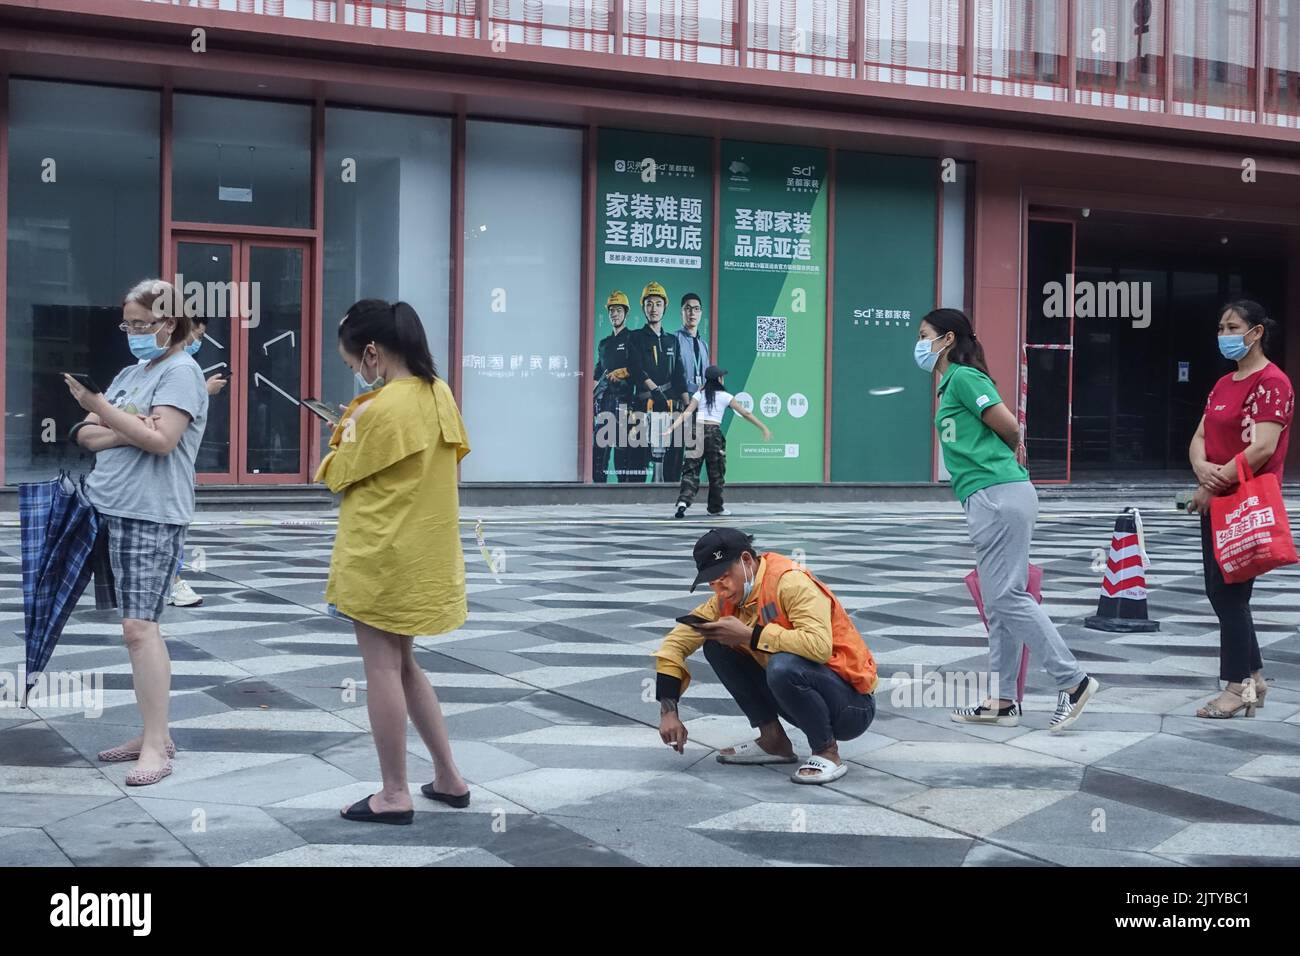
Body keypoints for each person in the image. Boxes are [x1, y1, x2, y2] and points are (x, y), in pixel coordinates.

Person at [317, 299, 473, 825]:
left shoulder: (378, 408)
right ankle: (449, 777)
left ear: (371, 354)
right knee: (405, 666)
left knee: (382, 669)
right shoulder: (440, 393)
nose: (356, 374)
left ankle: (392, 792)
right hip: (423, 554)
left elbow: (335, 474)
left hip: (380, 555)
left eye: (352, 364)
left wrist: (348, 424)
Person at [917, 308, 1098, 732]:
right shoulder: (949, 385)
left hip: (998, 495)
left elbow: (1010, 426)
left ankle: (1073, 681)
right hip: (988, 497)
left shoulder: (963, 377)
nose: (919, 343)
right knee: (999, 602)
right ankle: (1002, 699)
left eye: (925, 335)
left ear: (946, 339)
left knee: (1006, 597)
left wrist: (1007, 454)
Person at [63, 278, 209, 786]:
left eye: (141, 324)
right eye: (127, 324)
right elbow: (83, 435)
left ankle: (156, 746)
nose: (131, 332)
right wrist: (129, 425)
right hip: (110, 506)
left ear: (168, 323)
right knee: (136, 629)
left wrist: (104, 410)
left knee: (139, 627)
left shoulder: (182, 373)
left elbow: (163, 440)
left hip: (152, 512)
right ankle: (152, 732)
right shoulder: (133, 371)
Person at [654, 529, 878, 784]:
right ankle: (773, 741)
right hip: (801, 696)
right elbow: (674, 643)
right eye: (712, 583)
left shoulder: (790, 582)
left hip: (851, 706)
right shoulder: (724, 601)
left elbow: (819, 646)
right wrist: (668, 711)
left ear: (747, 560)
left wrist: (751, 636)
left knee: (782, 665)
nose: (721, 589)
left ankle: (827, 751)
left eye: (725, 577)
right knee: (717, 645)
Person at [1186, 300, 1292, 719]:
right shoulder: (1223, 383)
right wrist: (1201, 468)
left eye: (1233, 326)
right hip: (1217, 498)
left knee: (1231, 594)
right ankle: (1255, 679)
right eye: (1221, 326)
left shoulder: (1273, 382)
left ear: (1257, 332)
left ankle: (1237, 685)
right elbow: (1200, 434)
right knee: (1221, 590)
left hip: (1245, 502)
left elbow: (1263, 446)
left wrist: (1214, 482)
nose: (1225, 334)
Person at [168, 315, 228, 608]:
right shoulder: (178, 369)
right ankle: (173, 582)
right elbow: (171, 412)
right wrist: (204, 391)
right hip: (167, 471)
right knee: (169, 528)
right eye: (197, 334)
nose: (197, 342)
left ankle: (169, 581)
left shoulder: (181, 367)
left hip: (176, 467)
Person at [666, 365, 770, 518]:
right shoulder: (726, 396)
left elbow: (687, 413)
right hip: (713, 434)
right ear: (719, 379)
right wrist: (763, 427)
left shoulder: (699, 395)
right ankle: (715, 508)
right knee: (716, 473)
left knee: (691, 469)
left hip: (696, 432)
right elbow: (745, 413)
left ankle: (683, 501)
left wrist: (671, 428)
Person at [630, 280, 686, 482]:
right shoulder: (635, 337)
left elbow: (679, 374)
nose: (654, 309)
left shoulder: (672, 340)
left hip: (670, 405)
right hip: (645, 404)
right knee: (643, 453)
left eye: (658, 304)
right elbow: (635, 369)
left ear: (665, 307)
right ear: (643, 307)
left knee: (670, 453)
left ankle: (667, 489)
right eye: (649, 303)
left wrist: (687, 403)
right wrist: (655, 391)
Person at [592, 291, 639, 482]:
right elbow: (597, 372)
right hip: (604, 404)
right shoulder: (604, 344)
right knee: (599, 451)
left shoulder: (633, 338)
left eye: (618, 310)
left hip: (624, 403)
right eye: (611, 310)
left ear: (626, 313)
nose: (614, 314)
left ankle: (622, 492)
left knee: (622, 452)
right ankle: (597, 491)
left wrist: (621, 372)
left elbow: (638, 368)